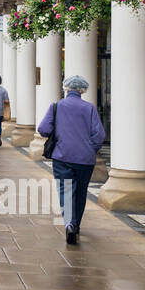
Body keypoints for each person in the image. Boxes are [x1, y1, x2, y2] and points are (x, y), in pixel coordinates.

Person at [38, 75, 106, 245]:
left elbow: (43, 129)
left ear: (66, 88)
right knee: (81, 192)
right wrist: (91, 149)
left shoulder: (57, 106)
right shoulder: (89, 108)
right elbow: (99, 136)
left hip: (62, 157)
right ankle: (76, 225)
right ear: (83, 90)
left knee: (66, 190)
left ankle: (69, 223)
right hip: (85, 159)